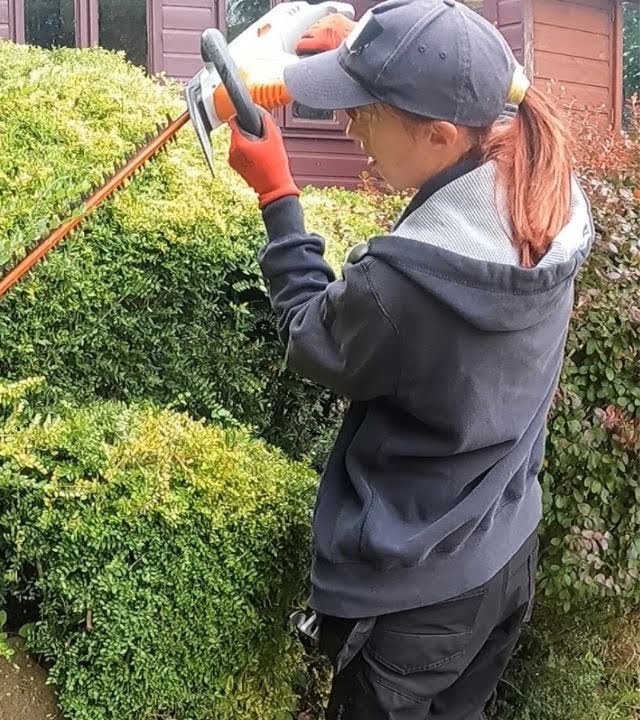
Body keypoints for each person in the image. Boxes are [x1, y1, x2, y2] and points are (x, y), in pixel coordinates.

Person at [223, 0, 594, 718]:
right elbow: (485, 71)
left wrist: (277, 195)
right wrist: (364, 50)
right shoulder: (548, 186)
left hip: (414, 602)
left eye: (364, 108)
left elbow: (312, 334)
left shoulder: (404, 287)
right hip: (503, 554)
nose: (346, 122)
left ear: (439, 134)